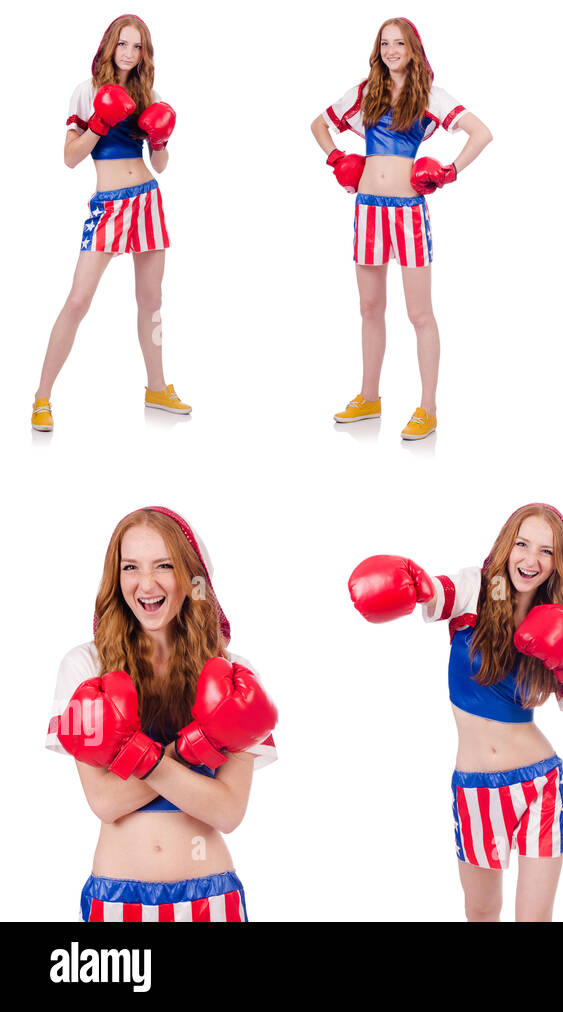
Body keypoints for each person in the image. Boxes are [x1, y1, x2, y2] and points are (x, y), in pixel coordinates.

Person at [349, 504, 563, 920]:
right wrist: (412, 584)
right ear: (507, 545)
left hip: (540, 786)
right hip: (474, 789)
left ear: (559, 563)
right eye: (522, 544)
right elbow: (432, 591)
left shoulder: (562, 624)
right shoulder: (476, 588)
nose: (530, 559)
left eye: (546, 551)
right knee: (481, 912)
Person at [46, 507, 278, 921]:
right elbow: (106, 802)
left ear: (192, 580)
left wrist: (138, 758)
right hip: (116, 899)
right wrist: (196, 747)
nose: (146, 583)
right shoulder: (86, 668)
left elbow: (227, 812)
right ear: (116, 579)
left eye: (164, 566)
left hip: (212, 898)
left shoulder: (234, 676)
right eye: (131, 567)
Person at [313, 17, 492, 439]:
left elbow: (480, 133)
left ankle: (427, 408)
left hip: (408, 211)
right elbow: (318, 125)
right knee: (370, 308)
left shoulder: (429, 94)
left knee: (419, 313)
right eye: (385, 44)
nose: (391, 50)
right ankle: (369, 396)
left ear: (413, 48)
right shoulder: (365, 91)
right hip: (367, 208)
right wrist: (337, 159)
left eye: (398, 43)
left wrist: (449, 171)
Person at [34, 15, 184, 433]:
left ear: (143, 54)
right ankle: (42, 396)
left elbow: (161, 164)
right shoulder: (87, 92)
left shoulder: (148, 93)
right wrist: (100, 123)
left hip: (147, 200)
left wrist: (160, 141)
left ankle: (156, 388)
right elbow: (69, 158)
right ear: (109, 45)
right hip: (109, 206)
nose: (129, 54)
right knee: (78, 300)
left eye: (137, 47)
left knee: (151, 302)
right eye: (123, 44)